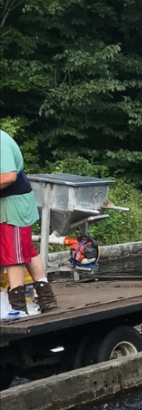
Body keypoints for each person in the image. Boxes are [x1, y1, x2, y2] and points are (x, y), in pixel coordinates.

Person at [0, 129, 57, 313]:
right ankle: (47, 299)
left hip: (14, 203)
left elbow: (9, 176)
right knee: (27, 251)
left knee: (14, 254)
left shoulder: (1, 142)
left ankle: (18, 307)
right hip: (8, 202)